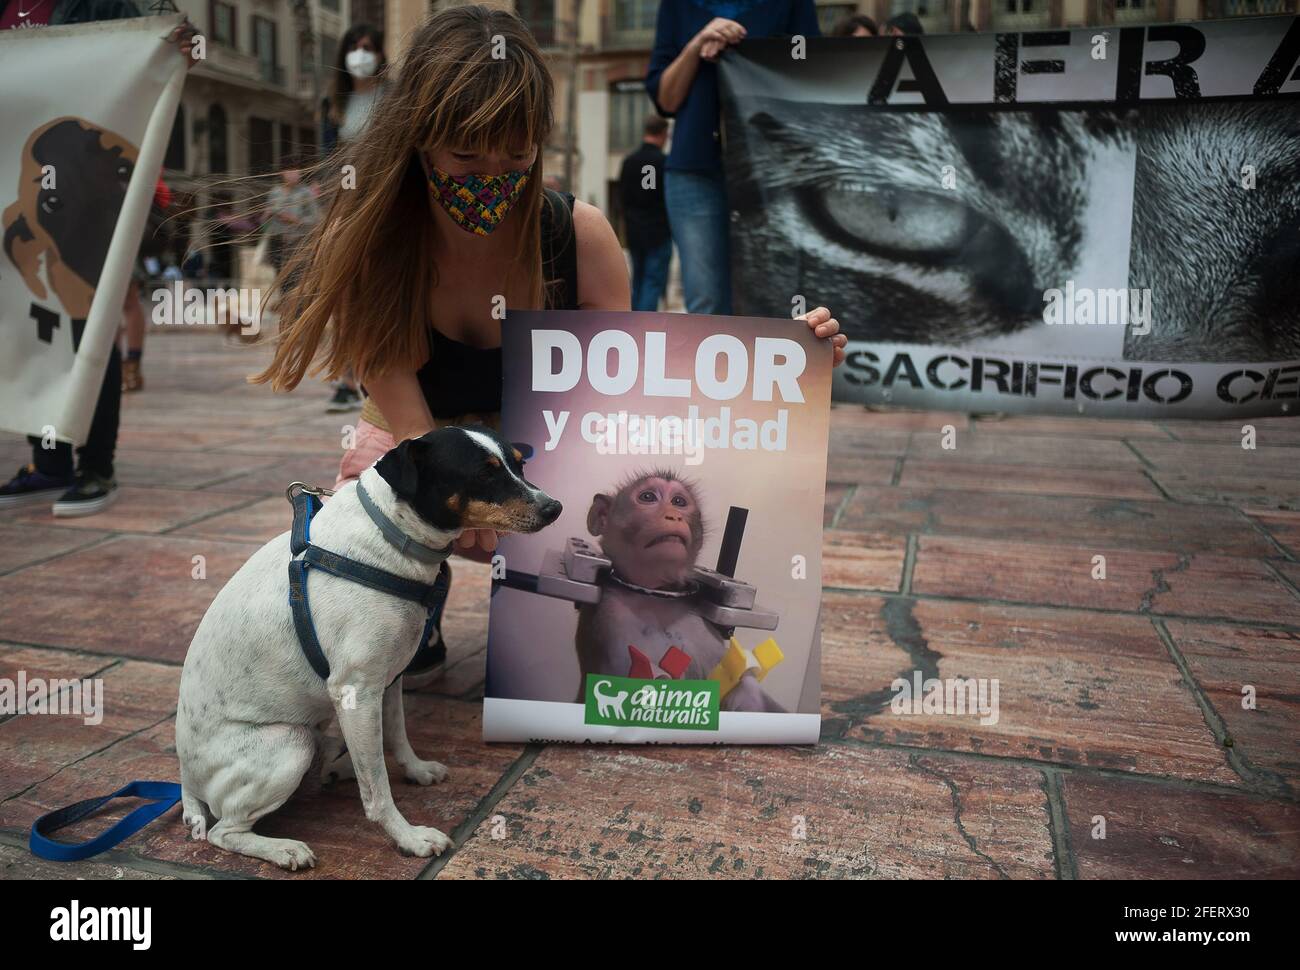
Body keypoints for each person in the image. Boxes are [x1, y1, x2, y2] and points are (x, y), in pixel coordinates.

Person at [251, 5, 846, 685]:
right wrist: (446, 509)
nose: (492, 174)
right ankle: (415, 604)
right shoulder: (373, 243)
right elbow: (414, 433)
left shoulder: (579, 237)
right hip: (424, 433)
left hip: (544, 440)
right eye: (466, 154)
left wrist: (790, 369)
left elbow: (629, 390)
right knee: (373, 513)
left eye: (516, 152)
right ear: (417, 140)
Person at [0, 0, 196, 516]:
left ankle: (95, 465)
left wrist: (174, 49)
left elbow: (150, 49)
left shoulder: (98, 2)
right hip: (17, 185)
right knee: (26, 325)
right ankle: (49, 461)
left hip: (89, 200)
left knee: (85, 325)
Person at [646, 0, 820, 316]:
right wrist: (698, 43)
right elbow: (666, 100)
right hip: (694, 170)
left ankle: (773, 366)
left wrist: (739, 45)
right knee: (706, 302)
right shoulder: (676, 5)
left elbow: (811, 73)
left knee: (773, 299)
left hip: (771, 172)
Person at [322, 25, 389, 411]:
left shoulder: (394, 96)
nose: (360, 54)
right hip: (345, 206)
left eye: (368, 47)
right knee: (344, 292)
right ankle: (348, 378)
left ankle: (382, 376)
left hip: (384, 203)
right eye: (354, 47)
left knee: (380, 290)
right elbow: (326, 160)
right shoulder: (334, 102)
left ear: (380, 54)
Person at [618, 115, 672, 312]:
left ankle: (634, 324)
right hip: (658, 231)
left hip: (635, 231)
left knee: (638, 281)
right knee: (653, 282)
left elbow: (622, 198)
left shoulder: (629, 161)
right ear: (664, 134)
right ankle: (645, 326)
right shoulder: (664, 162)